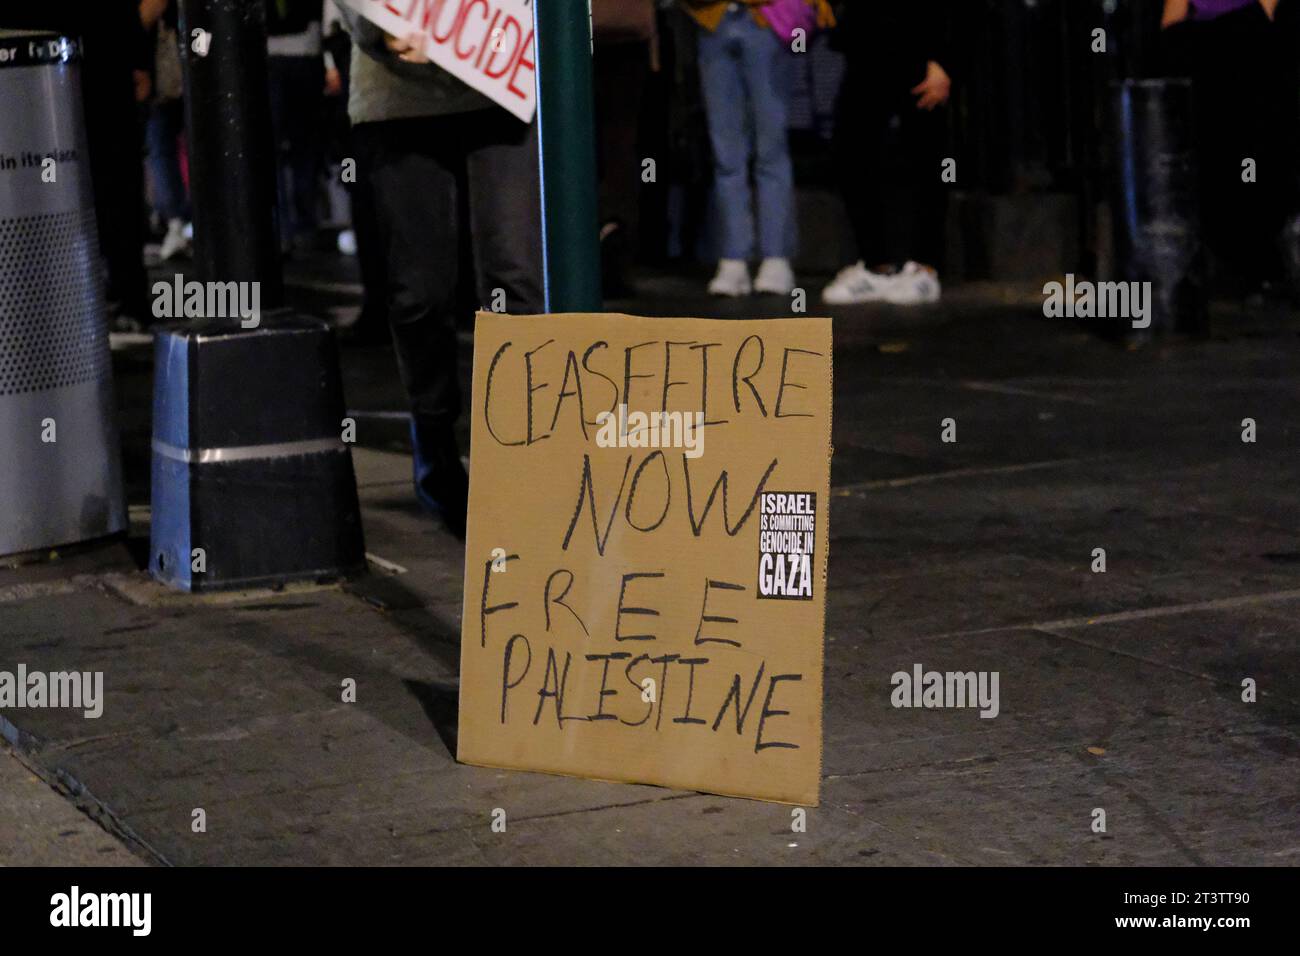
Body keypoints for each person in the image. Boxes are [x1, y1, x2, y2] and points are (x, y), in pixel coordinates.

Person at [336, 7, 545, 538]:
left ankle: (522, 454)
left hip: (501, 75)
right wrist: (377, 26)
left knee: (515, 280)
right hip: (400, 92)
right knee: (420, 292)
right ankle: (433, 436)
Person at [682, 0, 832, 298]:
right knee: (726, 154)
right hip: (713, 16)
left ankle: (776, 257)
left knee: (771, 149)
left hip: (767, 18)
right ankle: (733, 257)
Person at [821, 0, 956, 306]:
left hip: (920, 46)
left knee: (925, 156)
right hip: (867, 41)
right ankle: (875, 265)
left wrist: (943, 58)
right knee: (852, 151)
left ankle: (926, 267)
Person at [1159, 0, 1297, 294]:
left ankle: (1257, 257)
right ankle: (1233, 259)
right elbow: (1171, 29)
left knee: (1253, 161)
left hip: (1251, 82)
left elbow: (1267, 27)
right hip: (1212, 80)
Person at [266, 0, 328, 255]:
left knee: (295, 147)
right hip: (298, 55)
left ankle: (293, 226)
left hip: (293, 55)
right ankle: (297, 225)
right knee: (298, 147)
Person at [140, 0, 191, 261]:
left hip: (164, 76)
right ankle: (179, 221)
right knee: (170, 148)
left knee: (161, 148)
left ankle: (176, 222)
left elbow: (147, 14)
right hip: (182, 67)